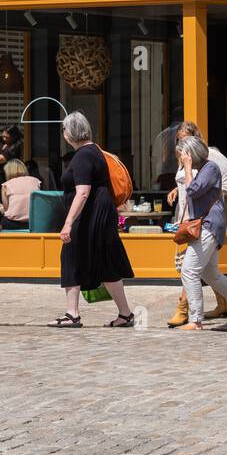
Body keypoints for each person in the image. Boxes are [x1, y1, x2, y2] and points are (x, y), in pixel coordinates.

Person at [49, 111, 137, 328]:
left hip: (89, 214)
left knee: (70, 256)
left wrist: (68, 222)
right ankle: (125, 314)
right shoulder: (95, 151)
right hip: (101, 212)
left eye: (64, 130)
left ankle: (72, 314)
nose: (63, 134)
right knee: (105, 260)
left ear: (70, 133)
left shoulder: (82, 156)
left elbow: (83, 192)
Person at [172, 135, 227, 331]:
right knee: (211, 273)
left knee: (189, 271)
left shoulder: (210, 168)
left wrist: (187, 166)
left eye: (182, 155)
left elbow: (193, 190)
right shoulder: (202, 170)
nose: (181, 159)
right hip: (206, 224)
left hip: (209, 225)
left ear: (191, 154)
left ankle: (196, 320)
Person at [0, 158, 41, 229]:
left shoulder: (6, 185)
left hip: (13, 223)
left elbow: (7, 209)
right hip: (34, 223)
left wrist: (1, 208)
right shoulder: (36, 181)